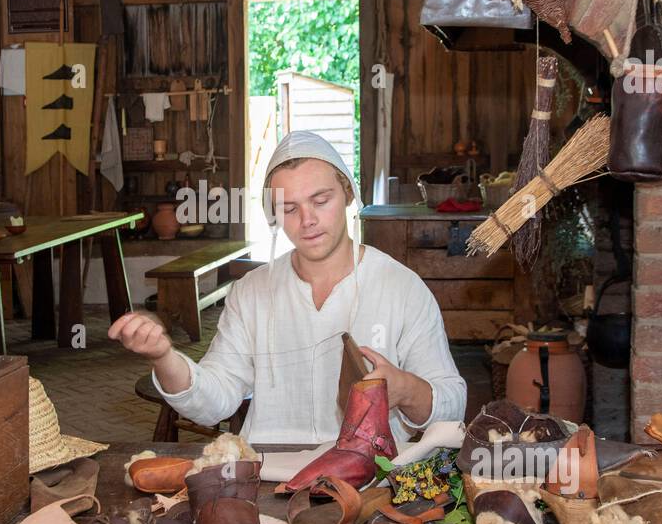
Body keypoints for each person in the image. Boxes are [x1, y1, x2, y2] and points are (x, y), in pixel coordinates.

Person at [108, 131, 467, 446]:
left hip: (369, 478)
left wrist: (404, 388)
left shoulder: (401, 287)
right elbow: (214, 402)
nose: (307, 220)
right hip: (268, 475)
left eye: (320, 200)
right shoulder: (252, 292)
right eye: (289, 208)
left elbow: (452, 401)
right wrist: (164, 357)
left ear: (346, 193)